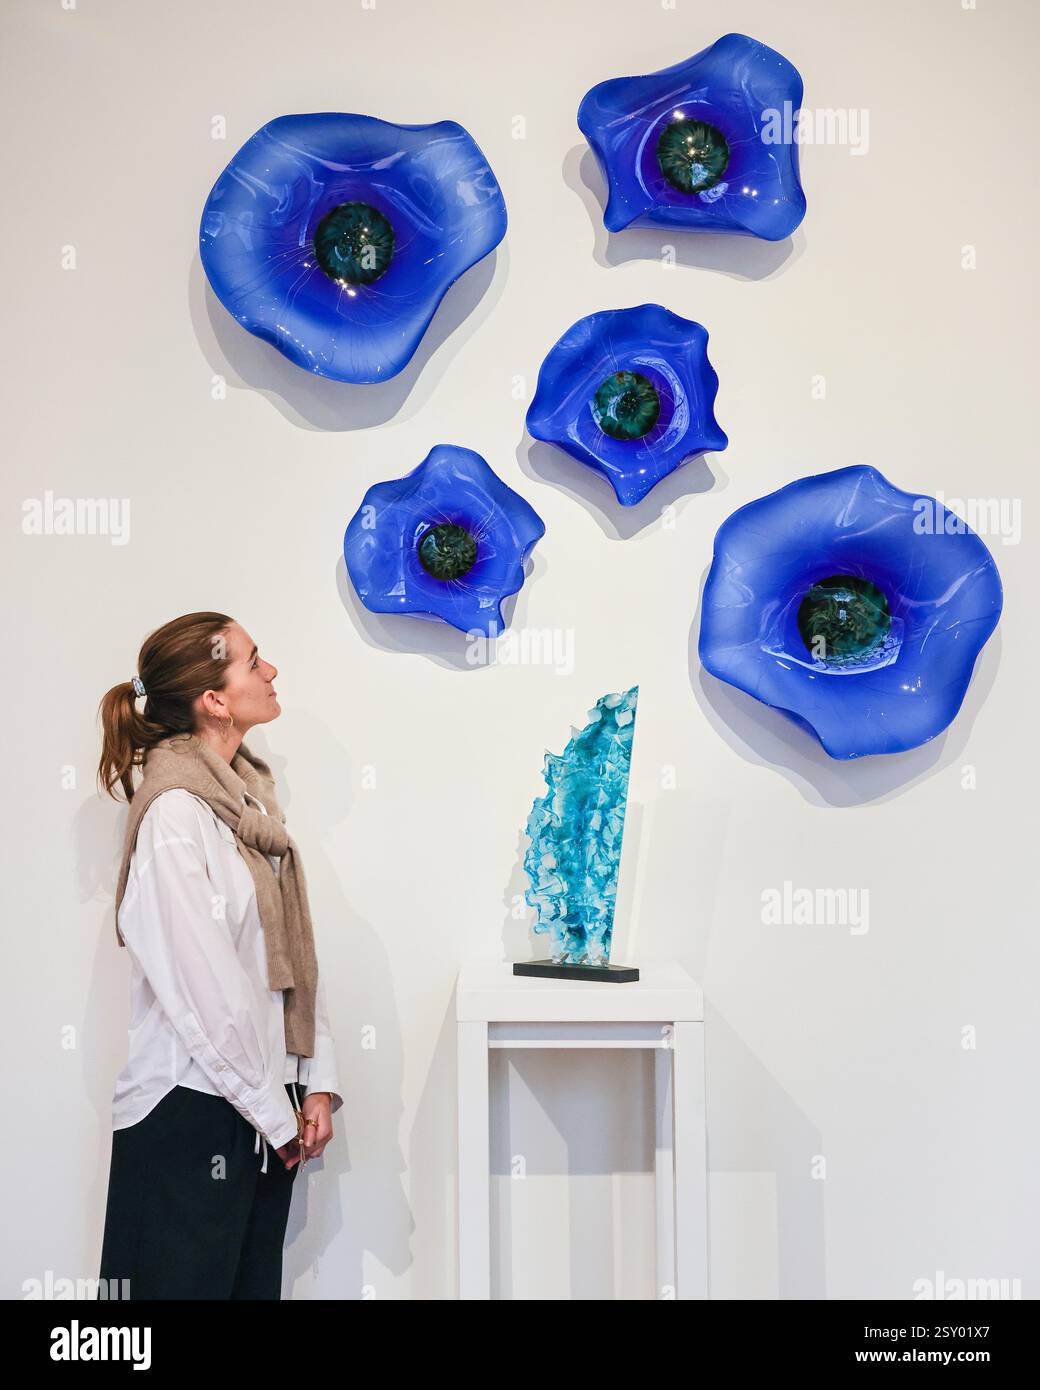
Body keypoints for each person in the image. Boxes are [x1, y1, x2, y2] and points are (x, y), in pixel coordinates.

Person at [95, 611, 342, 1299]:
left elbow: (287, 960)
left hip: (259, 1108)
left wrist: (313, 1079)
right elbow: (205, 990)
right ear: (213, 699)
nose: (271, 671)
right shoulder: (174, 817)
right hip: (190, 1112)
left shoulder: (250, 809)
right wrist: (275, 1111)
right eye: (254, 659)